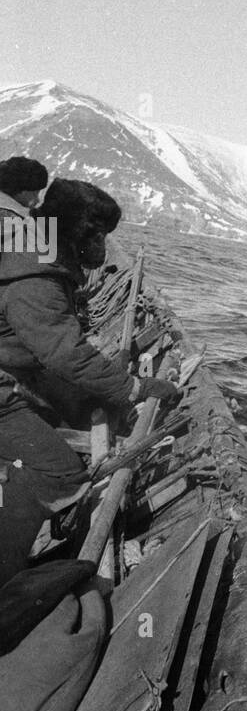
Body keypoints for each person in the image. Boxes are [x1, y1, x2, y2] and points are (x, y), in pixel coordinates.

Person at [0, 175, 178, 585]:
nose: (100, 247)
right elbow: (66, 354)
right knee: (60, 472)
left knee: (76, 409)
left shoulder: (28, 240)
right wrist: (133, 388)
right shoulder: (36, 281)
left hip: (13, 366)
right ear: (81, 231)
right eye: (97, 235)